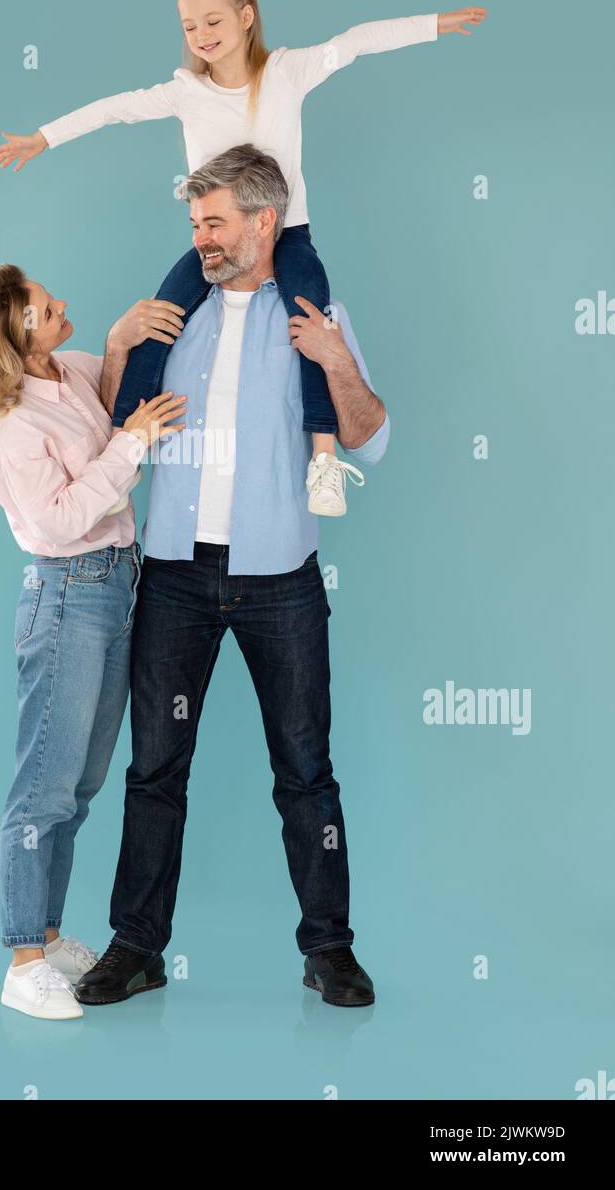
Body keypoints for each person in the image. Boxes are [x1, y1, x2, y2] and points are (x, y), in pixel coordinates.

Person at [0, 0, 483, 515]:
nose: (201, 34)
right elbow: (114, 109)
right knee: (158, 320)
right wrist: (43, 138)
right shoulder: (185, 92)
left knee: (313, 326)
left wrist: (436, 24)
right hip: (215, 245)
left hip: (287, 234)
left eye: (214, 21)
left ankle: (324, 460)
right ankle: (122, 432)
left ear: (246, 17)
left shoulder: (285, 73)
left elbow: (353, 42)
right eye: (189, 25)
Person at [74, 146, 389, 1009]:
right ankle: (135, 947)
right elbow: (111, 428)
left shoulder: (315, 314)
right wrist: (114, 347)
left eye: (214, 222)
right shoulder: (177, 317)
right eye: (194, 224)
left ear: (264, 223)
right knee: (153, 771)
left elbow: (369, 433)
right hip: (174, 576)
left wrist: (334, 359)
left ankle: (329, 949)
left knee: (305, 772)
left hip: (280, 580)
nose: (201, 238)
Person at [0, 265, 187, 1019]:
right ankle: (22, 961)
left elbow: (107, 401)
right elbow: (59, 519)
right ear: (19, 337)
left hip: (116, 587)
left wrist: (114, 342)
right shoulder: (12, 422)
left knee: (77, 787)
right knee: (40, 789)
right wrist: (135, 443)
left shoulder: (64, 372)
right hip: (69, 593)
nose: (62, 305)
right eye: (48, 309)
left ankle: (47, 931)